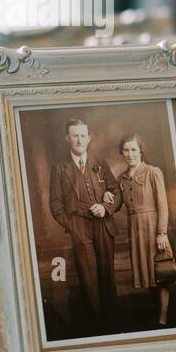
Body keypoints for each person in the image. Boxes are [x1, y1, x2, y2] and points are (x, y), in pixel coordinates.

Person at [49, 117, 123, 333]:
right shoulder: (60, 168)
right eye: (75, 136)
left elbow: (116, 192)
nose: (79, 140)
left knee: (107, 274)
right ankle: (96, 326)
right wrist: (72, 224)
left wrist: (106, 208)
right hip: (79, 228)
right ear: (67, 139)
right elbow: (55, 204)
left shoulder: (100, 164)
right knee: (88, 279)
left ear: (88, 138)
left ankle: (112, 324)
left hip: (103, 225)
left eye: (82, 135)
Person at [118, 133, 172, 328]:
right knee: (147, 275)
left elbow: (163, 205)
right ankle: (154, 315)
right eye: (126, 150)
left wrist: (162, 233)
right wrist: (107, 197)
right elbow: (116, 204)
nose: (130, 153)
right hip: (135, 230)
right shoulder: (121, 179)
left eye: (133, 149)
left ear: (141, 151)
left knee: (161, 274)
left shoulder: (152, 172)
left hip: (153, 227)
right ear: (121, 153)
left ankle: (163, 317)